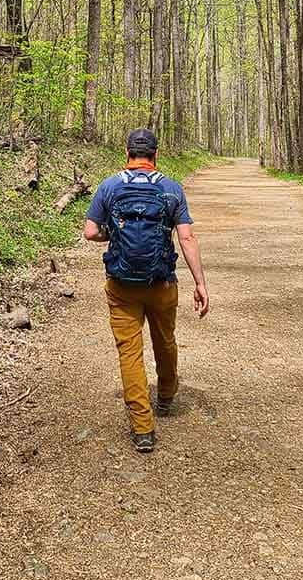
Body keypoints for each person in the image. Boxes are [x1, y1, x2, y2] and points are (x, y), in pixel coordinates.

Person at [83, 128, 209, 453]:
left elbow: (90, 232)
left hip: (122, 286)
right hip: (162, 282)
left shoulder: (109, 186)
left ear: (126, 153)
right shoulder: (171, 189)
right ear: (156, 154)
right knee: (165, 340)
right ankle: (165, 396)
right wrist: (200, 283)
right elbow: (187, 238)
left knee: (130, 352)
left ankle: (143, 428)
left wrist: (113, 236)